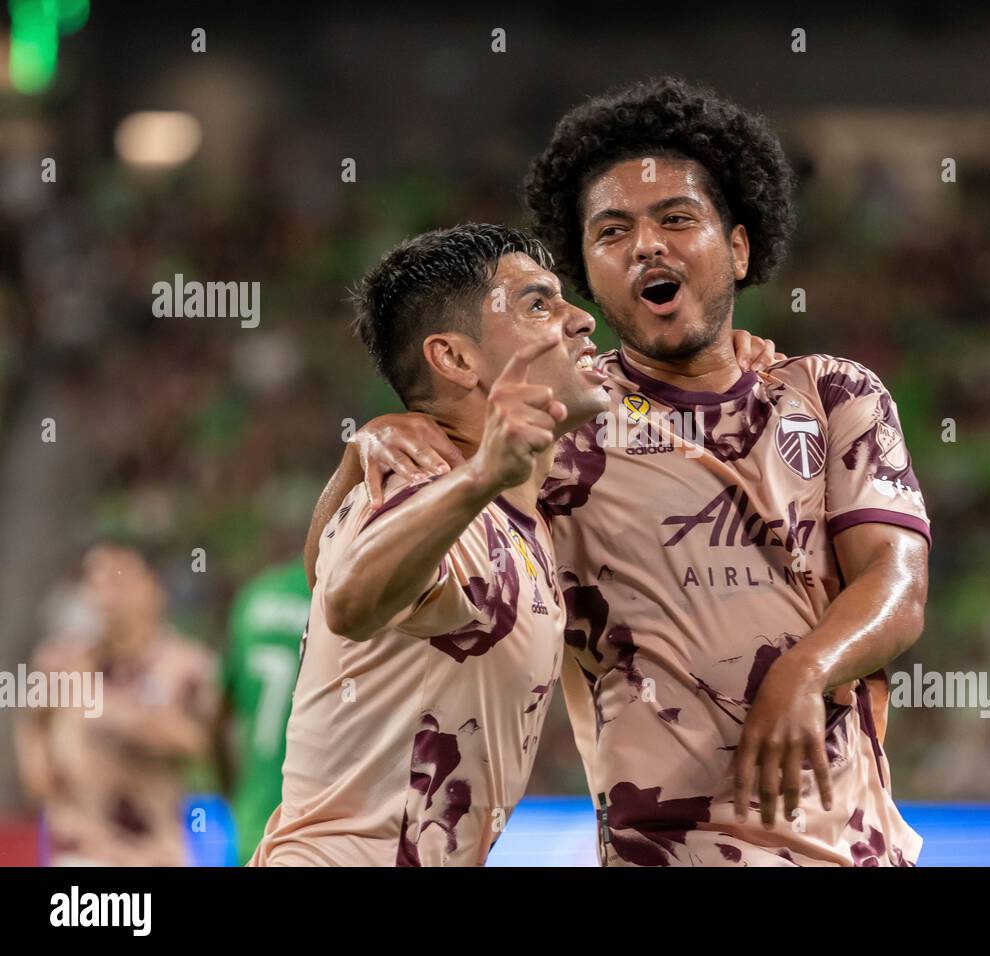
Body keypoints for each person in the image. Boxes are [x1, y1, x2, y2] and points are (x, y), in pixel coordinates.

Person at [310, 77, 931, 867]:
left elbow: (897, 584)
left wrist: (803, 673)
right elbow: (346, 578)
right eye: (611, 233)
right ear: (587, 273)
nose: (646, 245)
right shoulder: (554, 420)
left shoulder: (834, 393)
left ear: (738, 247)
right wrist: (364, 453)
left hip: (854, 848)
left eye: (677, 218)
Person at [251, 223, 609, 866]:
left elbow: (325, 576)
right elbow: (350, 602)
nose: (580, 319)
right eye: (537, 304)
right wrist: (477, 477)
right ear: (457, 359)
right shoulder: (433, 489)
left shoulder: (489, 506)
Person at [14, 545, 218, 866]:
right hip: (84, 850)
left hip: (158, 851)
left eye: (119, 581)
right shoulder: (61, 662)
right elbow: (32, 723)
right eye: (95, 583)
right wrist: (44, 781)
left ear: (153, 588)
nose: (107, 597)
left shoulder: (185, 664)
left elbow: (206, 744)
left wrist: (129, 720)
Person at [218, 557, 312, 865]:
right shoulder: (358, 591)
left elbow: (219, 715)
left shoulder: (257, 595)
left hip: (253, 823)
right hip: (324, 832)